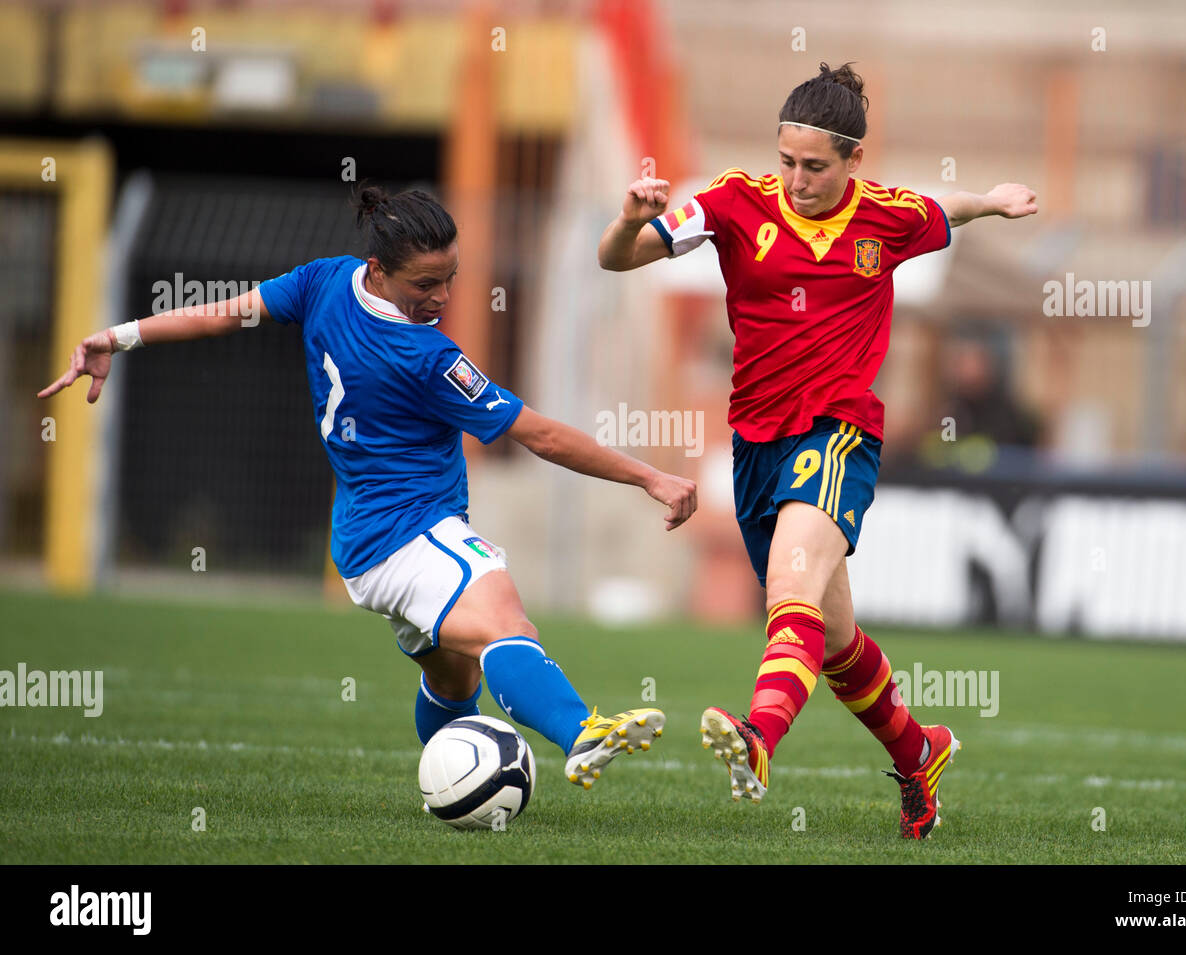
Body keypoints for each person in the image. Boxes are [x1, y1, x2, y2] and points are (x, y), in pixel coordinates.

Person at [40, 185, 698, 797]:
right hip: (412, 532)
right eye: (426, 283)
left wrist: (120, 336)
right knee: (505, 621)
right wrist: (649, 474)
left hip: (359, 541)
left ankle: (452, 784)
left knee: (454, 674)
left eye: (450, 278)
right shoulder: (429, 359)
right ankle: (580, 732)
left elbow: (221, 315)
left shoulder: (323, 281)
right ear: (380, 268)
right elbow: (542, 435)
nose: (441, 296)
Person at [597, 63, 1036, 838]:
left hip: (837, 433)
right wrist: (631, 221)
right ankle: (919, 751)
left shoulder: (886, 219)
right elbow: (618, 259)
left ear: (853, 161)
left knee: (789, 588)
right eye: (788, 161)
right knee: (831, 639)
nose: (797, 180)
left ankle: (759, 738)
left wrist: (994, 204)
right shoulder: (736, 202)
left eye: (816, 166)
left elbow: (946, 209)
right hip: (756, 441)